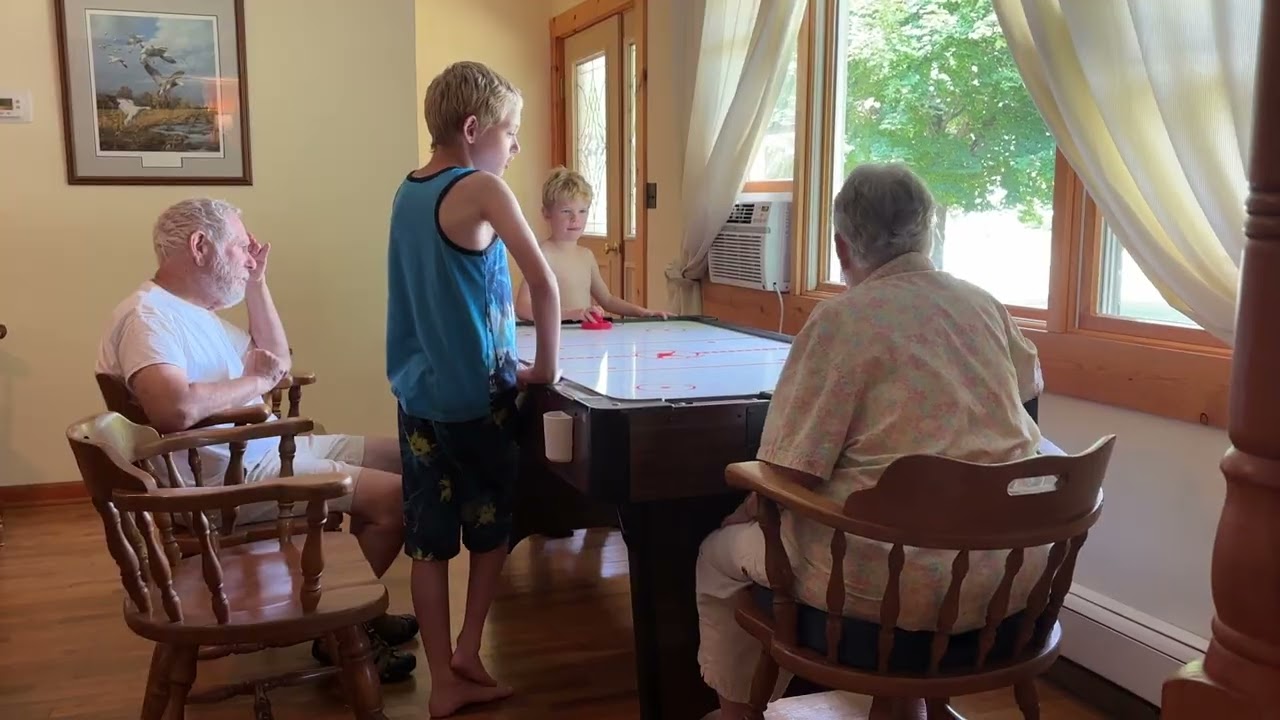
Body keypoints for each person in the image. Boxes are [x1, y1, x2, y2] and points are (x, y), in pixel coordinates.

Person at [694, 163, 1047, 720]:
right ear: (929, 230)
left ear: (841, 245)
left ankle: (737, 714)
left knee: (716, 556)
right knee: (910, 525)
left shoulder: (842, 321)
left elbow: (794, 471)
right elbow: (1029, 393)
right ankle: (907, 707)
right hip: (1009, 583)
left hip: (882, 597)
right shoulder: (985, 305)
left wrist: (743, 508)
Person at [95, 197, 420, 683]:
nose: (251, 256)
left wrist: (256, 283)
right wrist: (253, 383)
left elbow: (275, 361)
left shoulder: (192, 311)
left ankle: (358, 613)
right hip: (228, 481)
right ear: (200, 246)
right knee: (394, 501)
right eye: (242, 248)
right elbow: (173, 407)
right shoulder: (149, 318)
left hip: (258, 451)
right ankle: (339, 630)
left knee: (411, 459)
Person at [385, 60, 561, 718]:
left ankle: (444, 678)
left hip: (418, 400)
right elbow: (543, 284)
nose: (514, 145)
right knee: (489, 534)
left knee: (428, 544)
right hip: (477, 404)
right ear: (472, 129)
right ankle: (468, 649)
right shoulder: (483, 190)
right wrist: (543, 370)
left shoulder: (408, 190)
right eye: (510, 130)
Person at [514, 166, 668, 323]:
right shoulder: (542, 254)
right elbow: (522, 307)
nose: (575, 219)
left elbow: (607, 299)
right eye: (567, 211)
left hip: (584, 339)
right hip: (556, 341)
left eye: (582, 211)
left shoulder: (586, 255)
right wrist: (571, 314)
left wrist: (643, 312)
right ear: (546, 213)